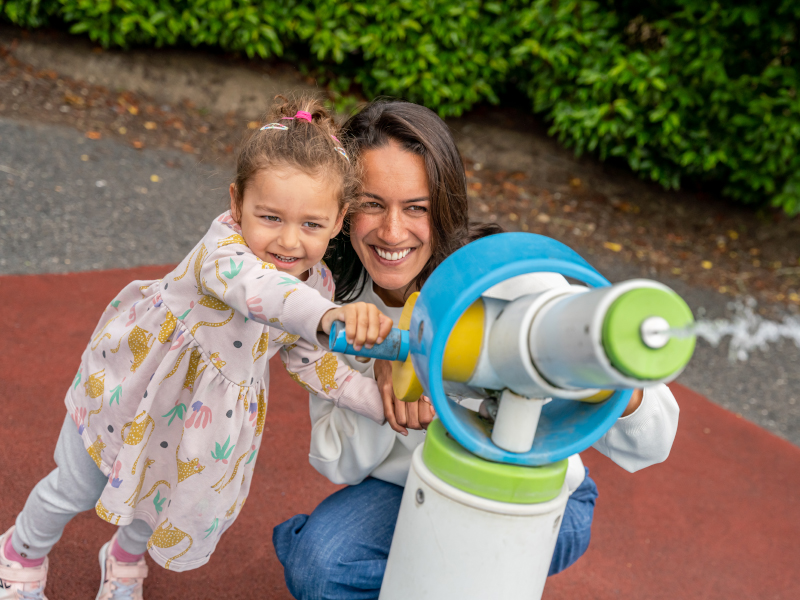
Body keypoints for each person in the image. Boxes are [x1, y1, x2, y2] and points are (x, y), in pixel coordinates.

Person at [272, 99, 680, 599]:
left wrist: (606, 378)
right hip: (417, 490)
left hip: (539, 495)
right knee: (323, 567)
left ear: (444, 207)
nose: (392, 232)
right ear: (341, 210)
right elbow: (336, 461)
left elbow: (657, 436)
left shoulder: (511, 281)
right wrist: (377, 380)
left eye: (416, 207)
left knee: (458, 572)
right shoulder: (339, 310)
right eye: (371, 204)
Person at [0, 96, 394, 600]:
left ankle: (122, 559)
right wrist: (327, 316)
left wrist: (380, 403)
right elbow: (261, 293)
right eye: (270, 217)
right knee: (75, 486)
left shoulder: (316, 286)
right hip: (135, 392)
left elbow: (316, 365)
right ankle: (20, 554)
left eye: (312, 224)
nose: (289, 241)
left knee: (162, 496)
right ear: (237, 204)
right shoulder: (223, 252)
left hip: (200, 422)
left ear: (339, 221)